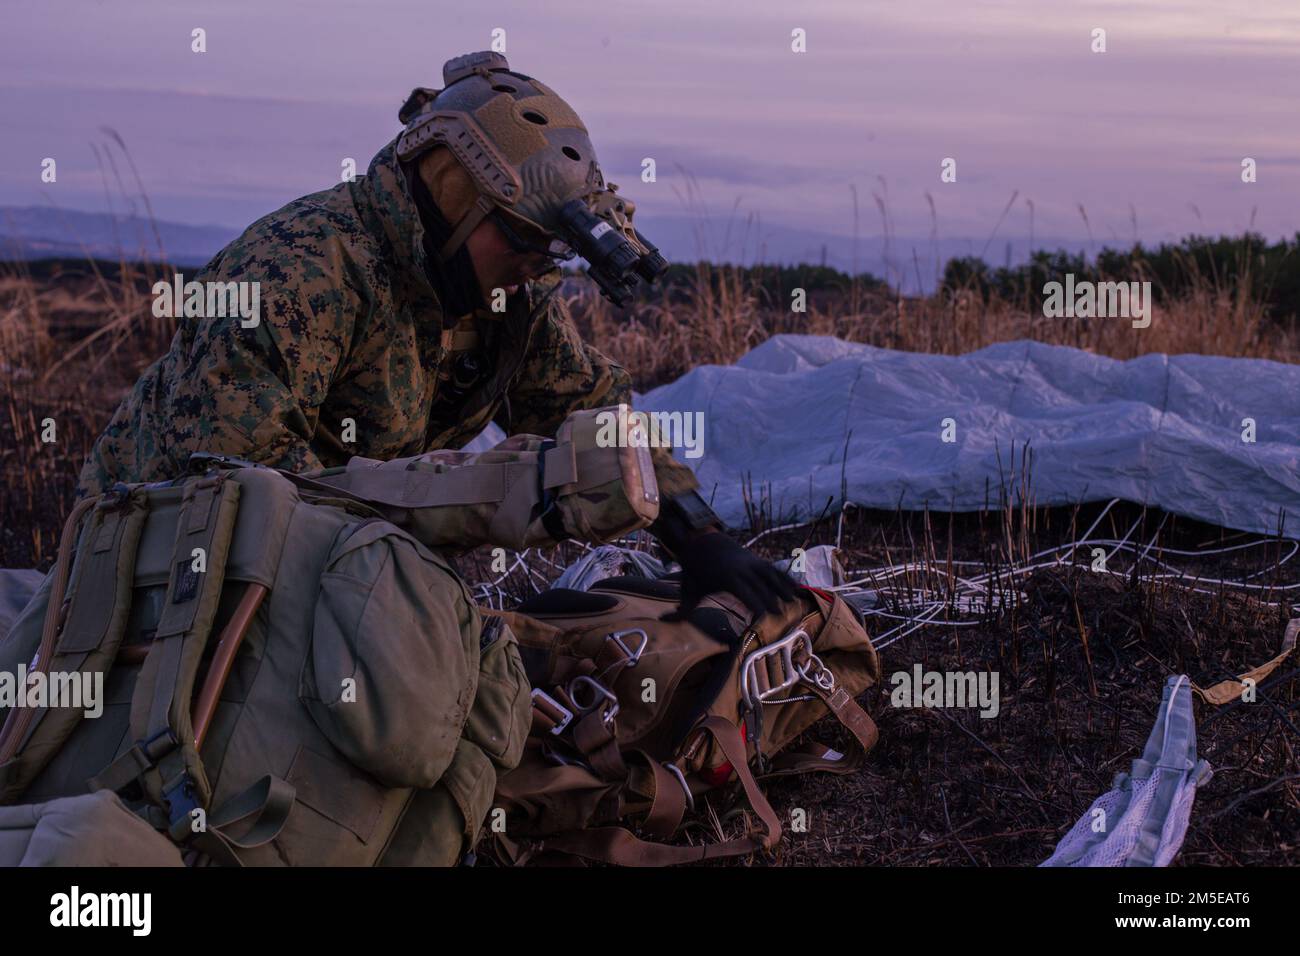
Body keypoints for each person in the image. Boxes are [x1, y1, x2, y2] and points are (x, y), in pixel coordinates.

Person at [77, 50, 795, 619]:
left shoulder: (505, 286)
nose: (535, 263)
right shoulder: (298, 271)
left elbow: (591, 407)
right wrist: (496, 493)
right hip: (161, 565)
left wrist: (696, 537)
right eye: (521, 238)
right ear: (453, 191)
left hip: (334, 567)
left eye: (550, 250)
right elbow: (241, 492)